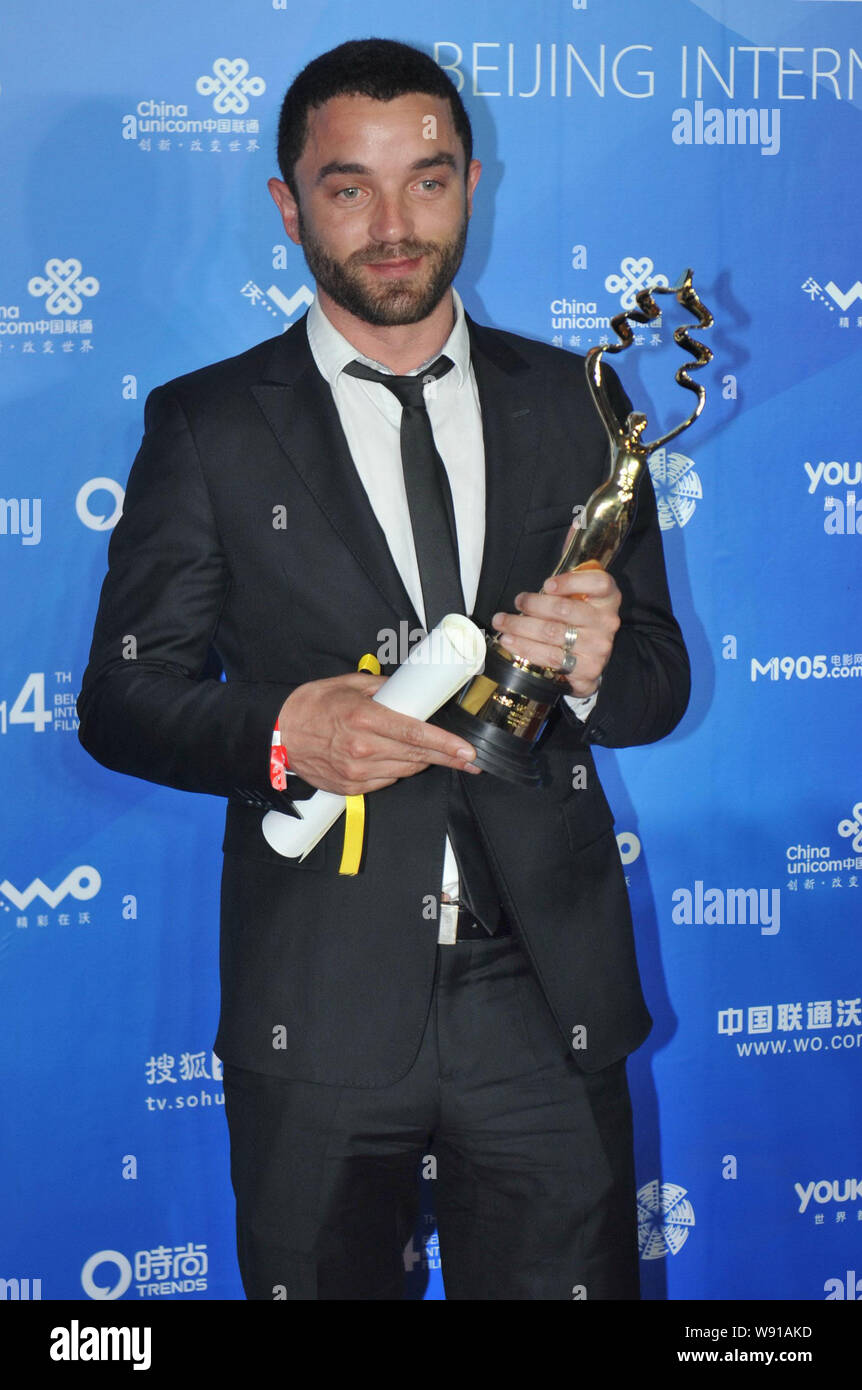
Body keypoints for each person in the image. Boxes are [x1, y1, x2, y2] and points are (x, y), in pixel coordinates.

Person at [78, 37, 690, 1301]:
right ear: (288, 203)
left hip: (542, 995)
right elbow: (123, 699)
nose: (395, 222)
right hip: (319, 999)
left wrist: (590, 667)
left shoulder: (579, 402)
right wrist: (285, 730)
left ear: (473, 181)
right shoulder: (207, 424)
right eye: (349, 185)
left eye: (429, 177)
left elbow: (656, 684)